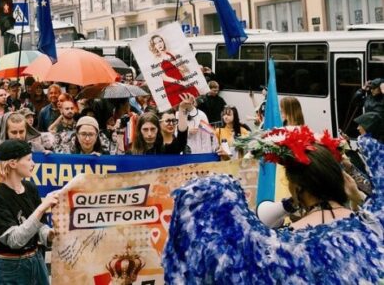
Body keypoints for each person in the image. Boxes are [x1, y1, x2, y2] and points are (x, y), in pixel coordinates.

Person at [164, 126, 384, 282]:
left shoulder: (284, 249)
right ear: (342, 180)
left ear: (297, 188)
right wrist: (357, 198)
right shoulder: (373, 228)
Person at [0, 140, 58, 284]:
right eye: (29, 159)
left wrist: (49, 234)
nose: (33, 164)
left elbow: (39, 225)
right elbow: (15, 240)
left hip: (36, 259)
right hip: (10, 266)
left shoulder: (30, 187)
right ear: (13, 163)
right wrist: (42, 207)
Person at [148, 34, 199, 107]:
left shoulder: (171, 53)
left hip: (181, 80)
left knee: (193, 102)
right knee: (180, 107)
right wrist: (180, 82)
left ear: (163, 42)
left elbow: (183, 69)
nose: (159, 44)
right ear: (154, 46)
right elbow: (164, 77)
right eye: (156, 43)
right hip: (171, 86)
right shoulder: (155, 59)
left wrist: (175, 61)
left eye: (160, 41)